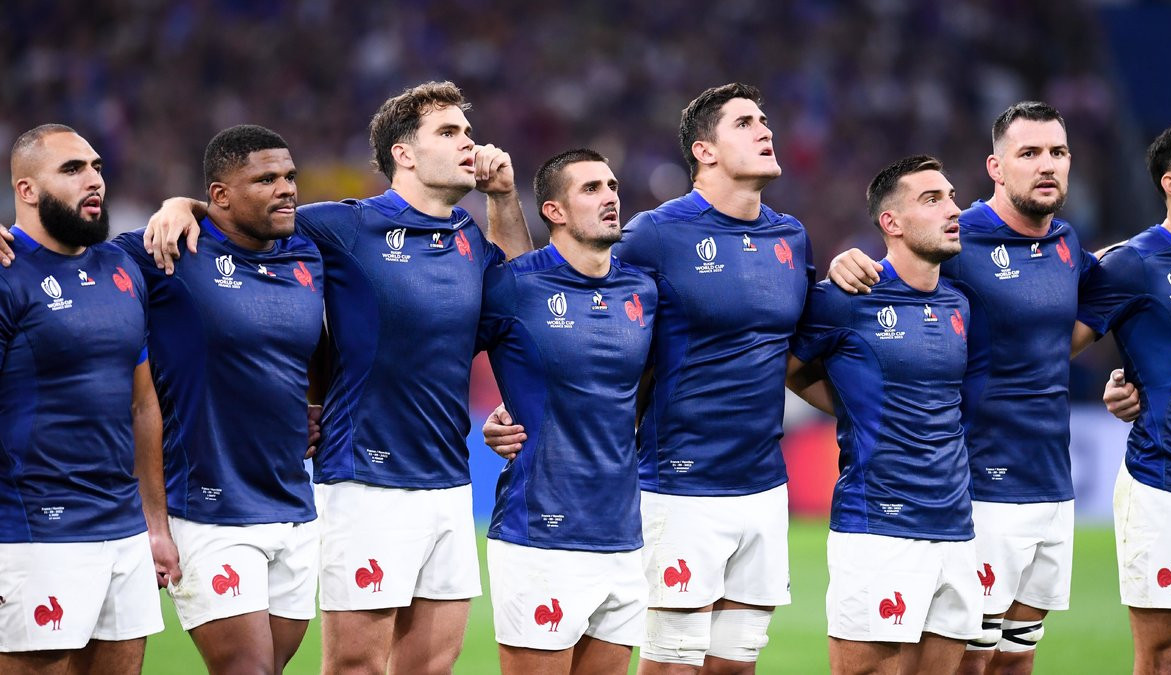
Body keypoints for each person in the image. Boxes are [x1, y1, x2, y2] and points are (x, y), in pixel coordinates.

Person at [143, 81, 533, 674]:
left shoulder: (470, 239)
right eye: (448, 132)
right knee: (358, 665)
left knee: (432, 666)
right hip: (365, 479)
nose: (468, 144)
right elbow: (249, 216)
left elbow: (517, 294)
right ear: (404, 154)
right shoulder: (343, 227)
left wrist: (503, 197)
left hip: (451, 482)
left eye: (468, 132)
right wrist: (183, 206)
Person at [485, 83, 813, 673]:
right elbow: (553, 290)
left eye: (765, 118)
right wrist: (522, 402)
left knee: (739, 661)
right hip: (677, 484)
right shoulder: (655, 234)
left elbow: (794, 351)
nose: (766, 129)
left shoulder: (791, 236)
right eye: (745, 123)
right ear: (705, 149)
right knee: (673, 660)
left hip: (766, 484)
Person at [827, 102, 1098, 674]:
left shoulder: (1071, 244)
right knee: (968, 661)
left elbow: (1085, 322)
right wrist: (846, 261)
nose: (1046, 165)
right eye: (1029, 154)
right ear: (996, 167)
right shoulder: (957, 238)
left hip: (1051, 478)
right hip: (978, 484)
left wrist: (1131, 380)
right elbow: (889, 283)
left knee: (1018, 656)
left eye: (1058, 153)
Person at [111, 124, 326, 674]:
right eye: (266, 179)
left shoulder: (308, 252)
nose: (287, 189)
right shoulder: (167, 252)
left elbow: (331, 344)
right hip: (206, 507)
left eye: (290, 176)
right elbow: (70, 259)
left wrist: (316, 402)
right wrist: (177, 206)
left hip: (294, 507)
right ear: (221, 195)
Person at [791, 154, 978, 674]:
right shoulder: (847, 298)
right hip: (879, 527)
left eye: (952, 197)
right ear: (890, 223)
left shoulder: (958, 304)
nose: (953, 209)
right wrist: (854, 404)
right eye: (932, 199)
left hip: (956, 526)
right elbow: (786, 370)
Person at [476, 148, 656, 674]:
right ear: (553, 211)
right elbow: (436, 358)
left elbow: (646, 385)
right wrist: (496, 415)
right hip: (541, 532)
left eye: (613, 186)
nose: (611, 198)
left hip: (622, 533)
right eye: (591, 188)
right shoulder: (516, 285)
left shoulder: (642, 289)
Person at [0, 124, 163, 674]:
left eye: (96, 167)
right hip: (34, 529)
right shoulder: (5, 274)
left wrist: (154, 524)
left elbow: (142, 406)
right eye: (72, 170)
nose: (93, 180)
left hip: (122, 527)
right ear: (26, 190)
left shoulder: (121, 268)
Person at [1075, 121, 1171, 675]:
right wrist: (1119, 383)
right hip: (1169, 481)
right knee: (1170, 656)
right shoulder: (1132, 262)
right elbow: (1048, 351)